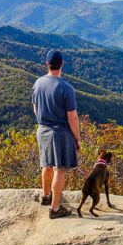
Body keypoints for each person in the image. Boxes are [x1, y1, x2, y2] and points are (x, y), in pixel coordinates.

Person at [31, 50, 82, 219]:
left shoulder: (38, 83)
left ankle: (46, 196)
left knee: (46, 164)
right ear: (62, 64)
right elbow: (72, 118)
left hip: (42, 130)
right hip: (59, 132)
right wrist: (77, 138)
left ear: (47, 64)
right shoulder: (66, 88)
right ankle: (55, 209)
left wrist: (43, 121)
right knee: (59, 169)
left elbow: (35, 108)